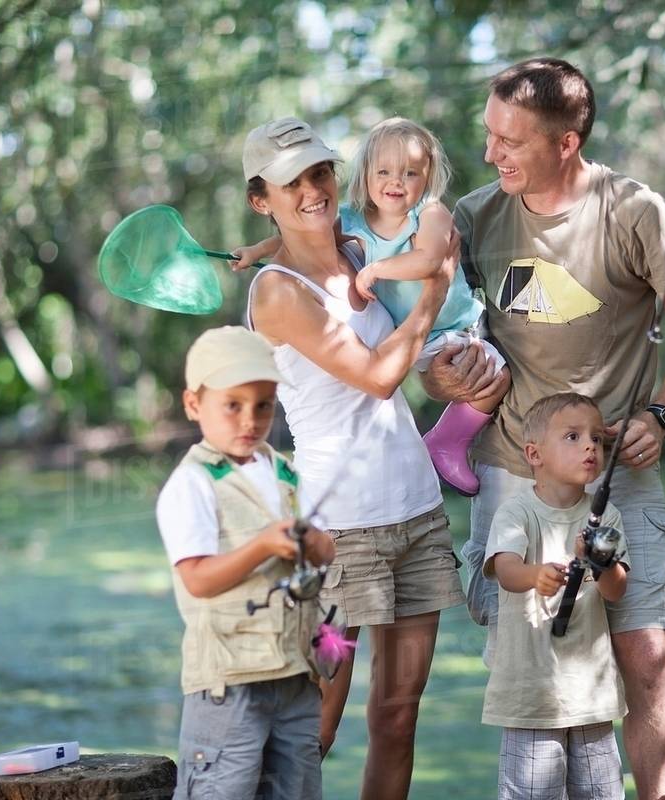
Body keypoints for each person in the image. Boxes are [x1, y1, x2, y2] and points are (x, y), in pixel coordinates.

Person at [422, 58, 665, 800]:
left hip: (617, 479)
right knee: (534, 677)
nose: (492, 154)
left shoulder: (635, 214)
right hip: (508, 479)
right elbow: (428, 350)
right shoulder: (470, 218)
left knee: (645, 658)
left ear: (566, 143)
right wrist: (444, 377)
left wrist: (661, 412)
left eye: (510, 141)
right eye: (489, 136)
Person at [236, 116, 467, 800]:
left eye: (320, 173)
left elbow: (383, 223)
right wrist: (434, 292)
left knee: (397, 718)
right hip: (341, 538)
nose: (313, 190)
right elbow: (375, 375)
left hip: (418, 518)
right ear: (261, 197)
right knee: (315, 725)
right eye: (291, 183)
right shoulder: (277, 293)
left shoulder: (357, 244)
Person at [233, 116, 510, 497]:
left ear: (427, 178)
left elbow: (431, 262)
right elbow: (381, 377)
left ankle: (447, 439)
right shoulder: (289, 281)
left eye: (410, 173)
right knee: (496, 375)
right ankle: (447, 442)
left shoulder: (412, 220)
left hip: (416, 491)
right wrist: (254, 252)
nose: (396, 182)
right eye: (291, 182)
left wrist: (379, 269)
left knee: (493, 375)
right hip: (346, 505)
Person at [155, 325, 337, 800]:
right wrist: (261, 547)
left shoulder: (284, 471)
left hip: (296, 679)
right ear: (194, 405)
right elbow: (196, 579)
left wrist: (314, 544)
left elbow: (324, 550)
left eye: (263, 405)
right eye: (232, 405)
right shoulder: (191, 484)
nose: (249, 420)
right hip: (228, 686)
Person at [483, 392, 629, 800]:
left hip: (591, 697)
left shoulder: (608, 516)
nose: (590, 446)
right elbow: (506, 570)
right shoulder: (516, 512)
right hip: (531, 696)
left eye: (597, 439)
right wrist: (536, 576)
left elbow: (616, 590)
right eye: (573, 436)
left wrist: (599, 562)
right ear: (534, 454)